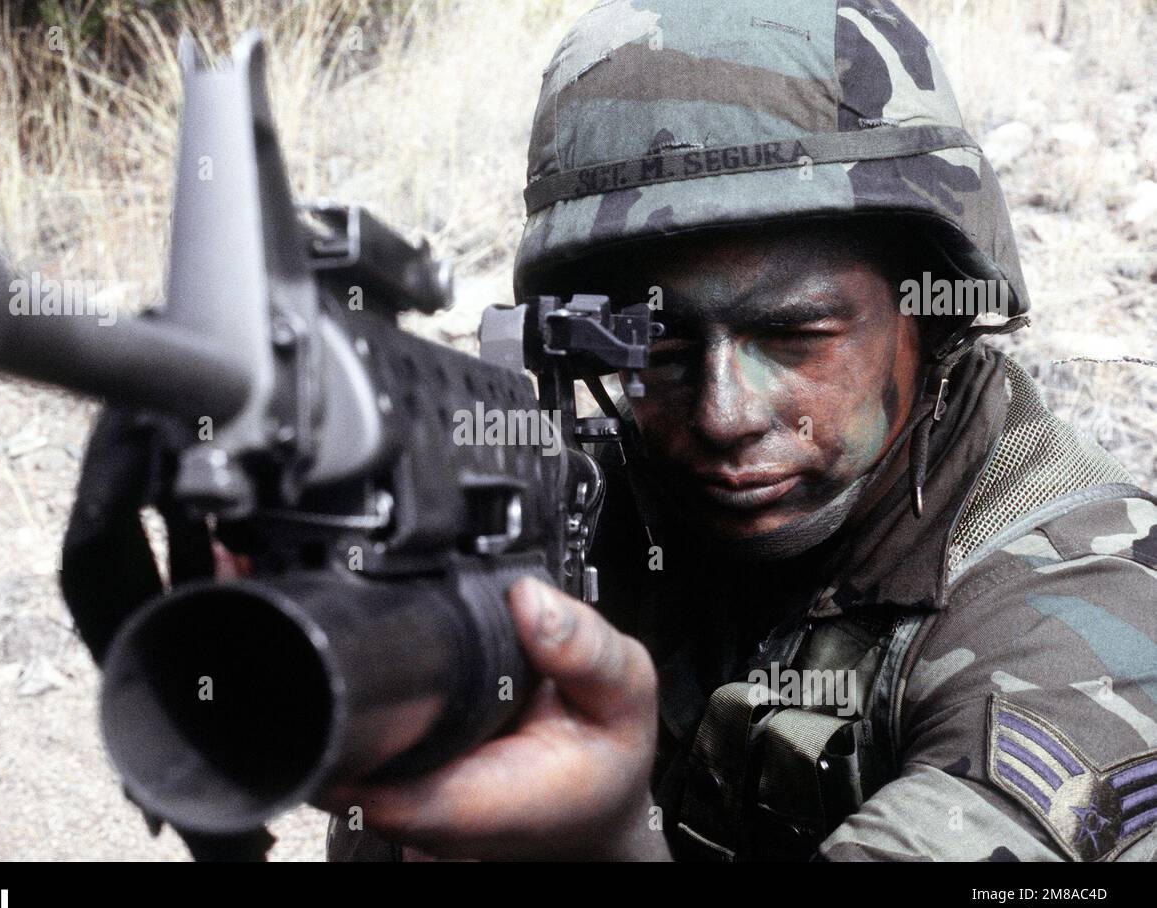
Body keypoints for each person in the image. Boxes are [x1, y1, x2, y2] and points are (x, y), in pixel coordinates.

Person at [322, 0, 1157, 861]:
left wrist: (607, 843)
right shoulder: (593, 498)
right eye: (661, 343)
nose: (724, 416)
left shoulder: (1089, 626)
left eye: (795, 339)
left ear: (935, 313)